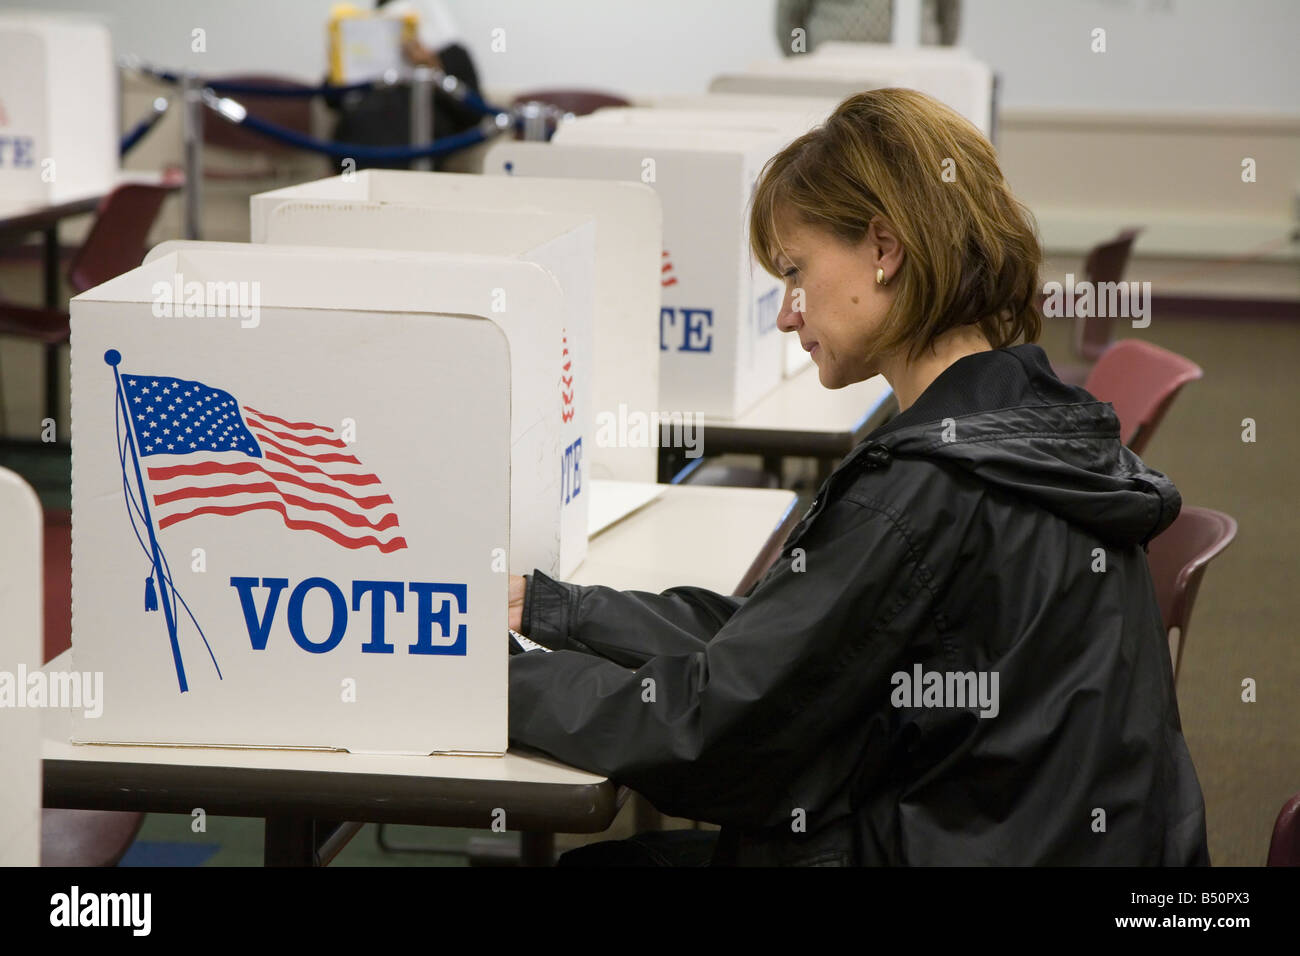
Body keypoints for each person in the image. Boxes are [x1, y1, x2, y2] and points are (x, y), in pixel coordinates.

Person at [506, 88, 1210, 867]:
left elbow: (713, 738)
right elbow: (780, 647)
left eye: (795, 271)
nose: (784, 314)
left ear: (884, 248)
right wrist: (557, 611)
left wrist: (485, 684)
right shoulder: (1025, 422)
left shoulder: (926, 488)